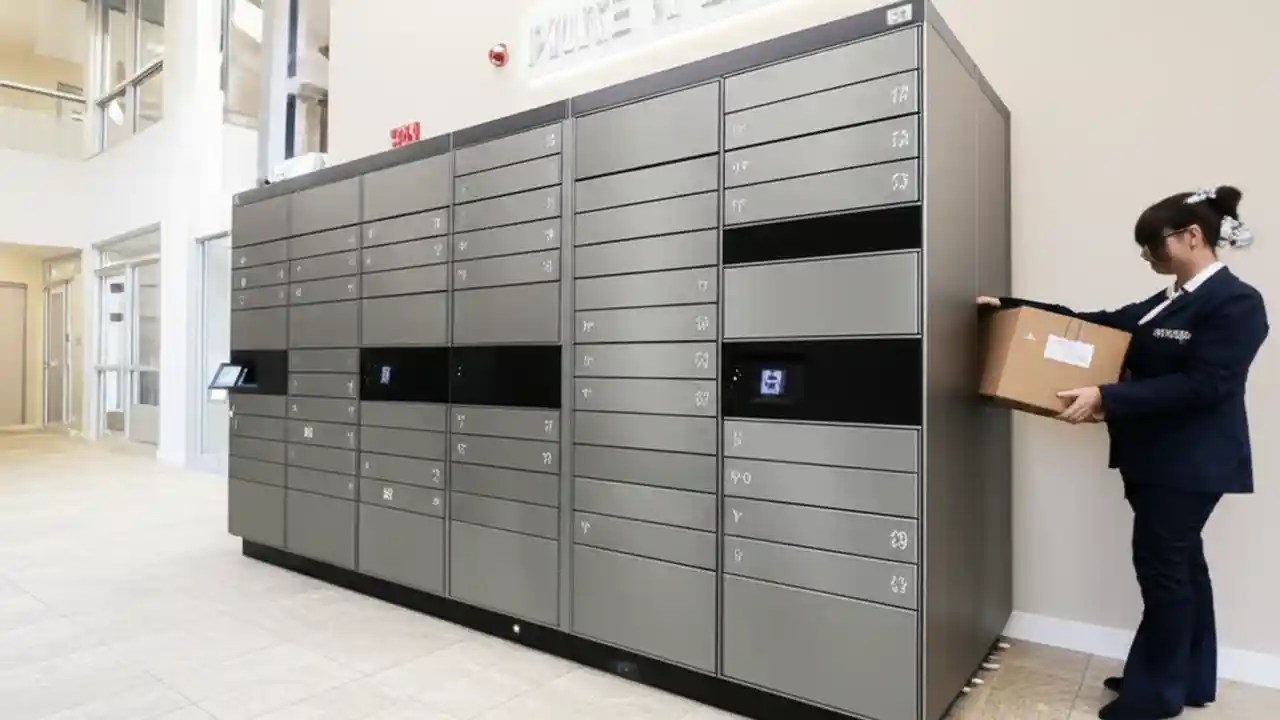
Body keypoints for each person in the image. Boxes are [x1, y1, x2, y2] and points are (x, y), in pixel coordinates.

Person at [978, 186, 1269, 720]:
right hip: (1156, 459)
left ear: (1191, 237)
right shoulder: (1167, 300)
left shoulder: (1236, 302)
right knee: (1183, 567)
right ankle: (1186, 679)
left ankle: (1153, 695)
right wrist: (1016, 307)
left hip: (1191, 463)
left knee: (1164, 570)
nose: (1146, 257)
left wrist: (1108, 398)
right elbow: (1099, 325)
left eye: (1151, 246)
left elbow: (1210, 385)